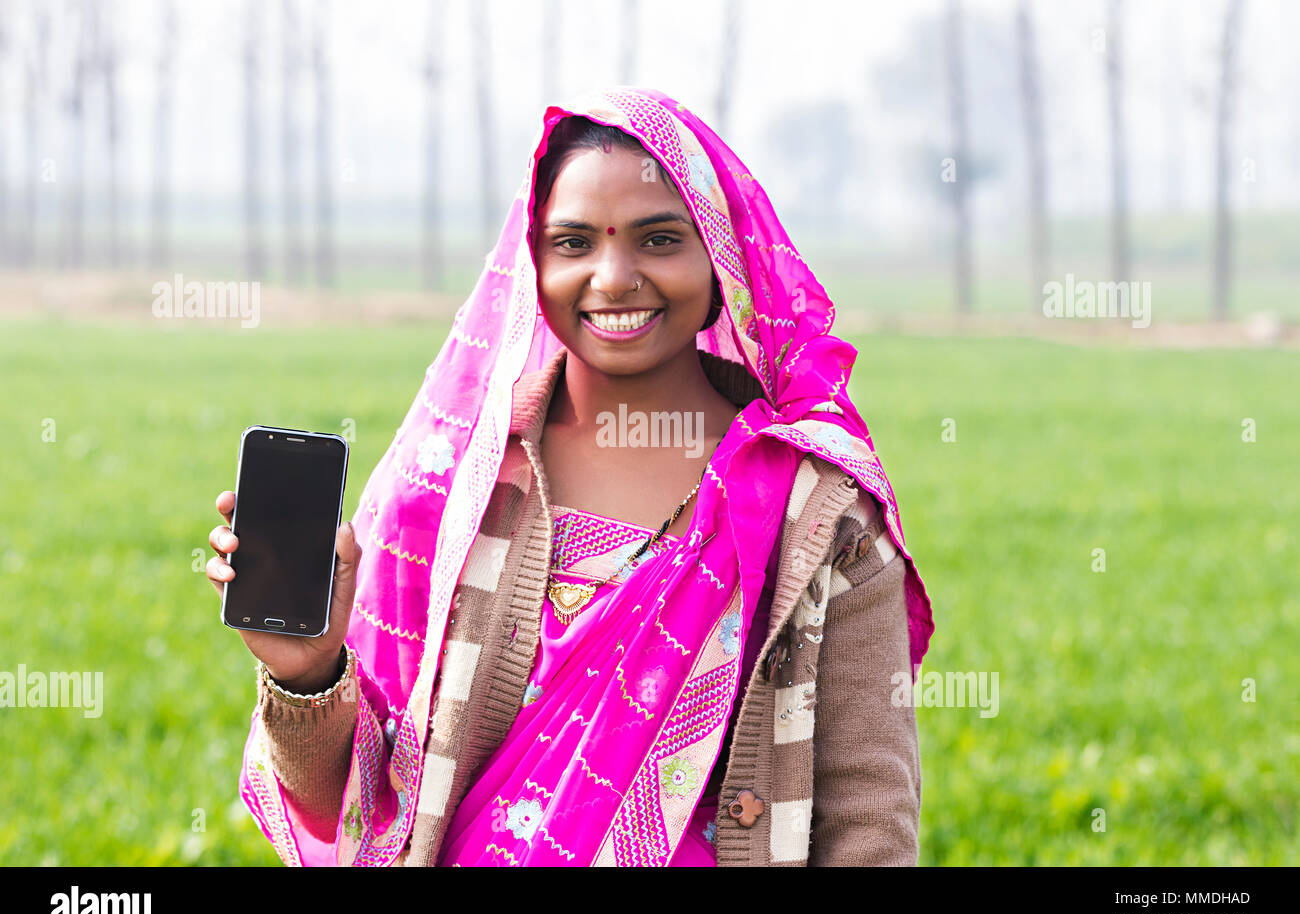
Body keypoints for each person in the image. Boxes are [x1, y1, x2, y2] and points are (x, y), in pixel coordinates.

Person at [206, 86, 935, 867]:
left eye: (660, 240)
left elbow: (868, 818)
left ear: (723, 257)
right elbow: (360, 814)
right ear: (533, 260)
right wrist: (310, 674)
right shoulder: (453, 489)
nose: (614, 277)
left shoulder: (817, 512)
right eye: (574, 242)